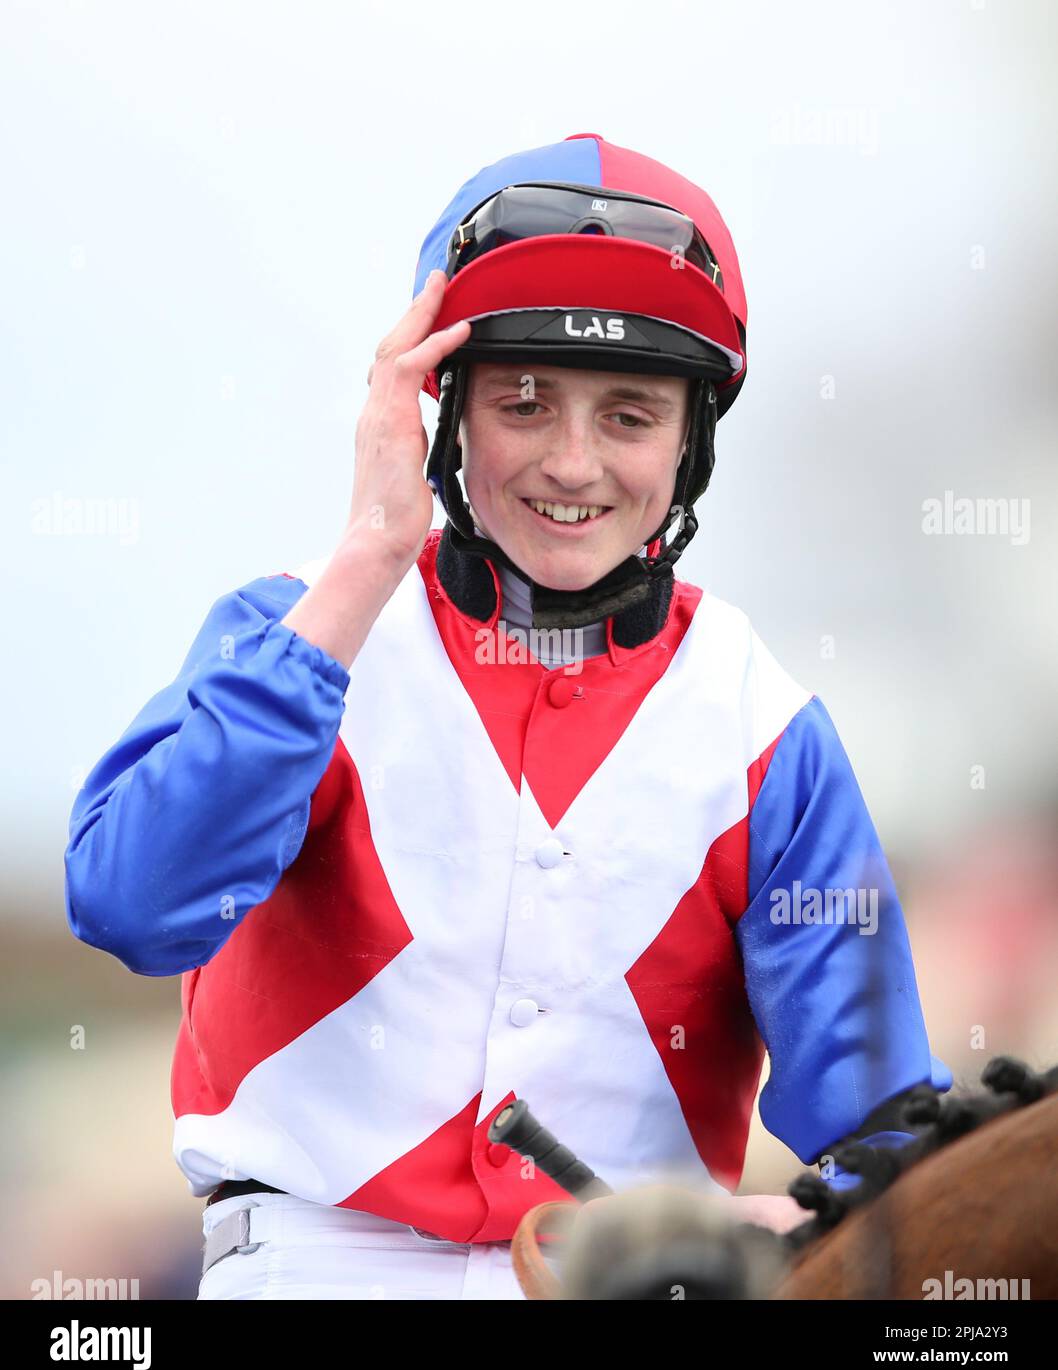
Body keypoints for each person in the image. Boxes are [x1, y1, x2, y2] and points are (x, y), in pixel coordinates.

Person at [63, 133, 953, 1301]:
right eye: (523, 404)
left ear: (690, 442)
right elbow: (130, 903)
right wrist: (370, 553)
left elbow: (885, 1124)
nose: (573, 464)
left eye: (628, 417)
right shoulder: (297, 631)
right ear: (439, 416)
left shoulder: (766, 727)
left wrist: (813, 1213)